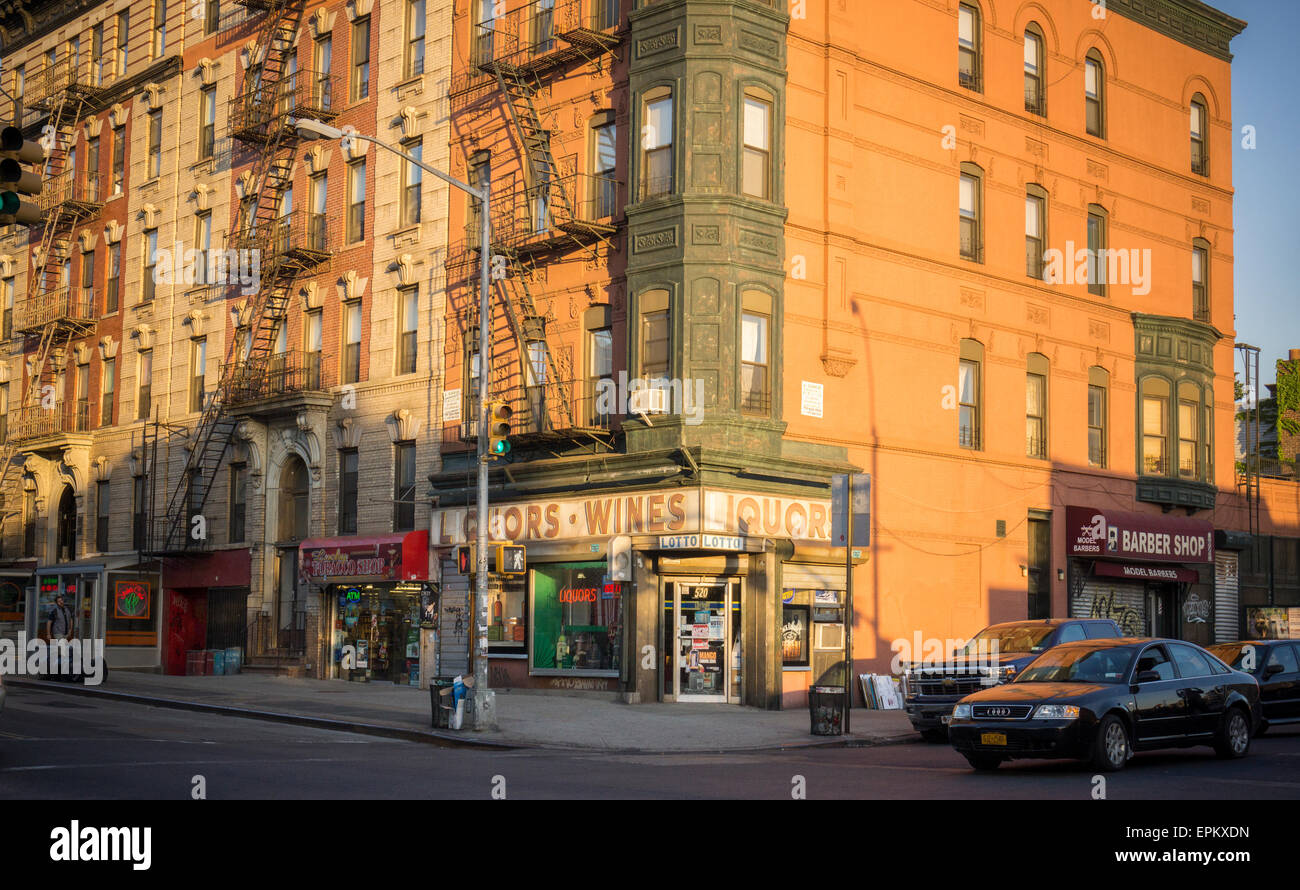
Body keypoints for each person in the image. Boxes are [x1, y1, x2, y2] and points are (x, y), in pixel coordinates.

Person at [46, 594, 75, 681]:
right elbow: (49, 622)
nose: (61, 602)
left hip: (65, 633)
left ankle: (56, 670)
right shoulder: (54, 610)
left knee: (60, 651)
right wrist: (48, 633)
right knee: (63, 650)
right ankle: (62, 670)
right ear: (56, 603)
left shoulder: (67, 609)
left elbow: (71, 620)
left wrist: (70, 630)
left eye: (61, 600)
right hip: (57, 633)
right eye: (59, 601)